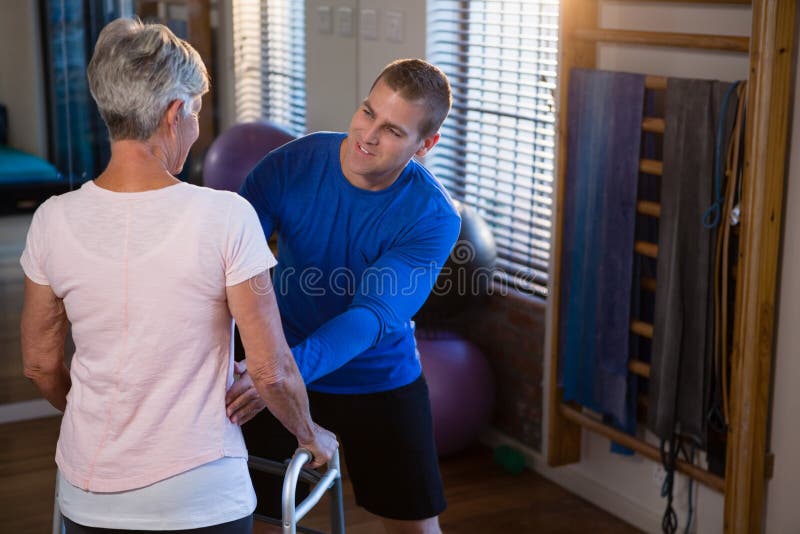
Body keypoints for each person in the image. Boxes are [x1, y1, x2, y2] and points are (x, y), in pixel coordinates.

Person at [20, 18, 336, 534]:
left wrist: (97, 419)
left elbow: (39, 365)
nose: (195, 129)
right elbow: (272, 370)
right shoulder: (227, 217)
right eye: (195, 113)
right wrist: (310, 434)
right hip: (201, 494)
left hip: (89, 495)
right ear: (174, 113)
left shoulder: (52, 219)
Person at [231, 58, 460, 534]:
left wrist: (277, 373)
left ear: (425, 145)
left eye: (392, 130)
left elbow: (369, 317)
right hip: (279, 354)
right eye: (368, 112)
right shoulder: (292, 164)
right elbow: (229, 257)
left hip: (376, 376)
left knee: (416, 528)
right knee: (264, 518)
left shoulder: (433, 217)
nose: (368, 135)